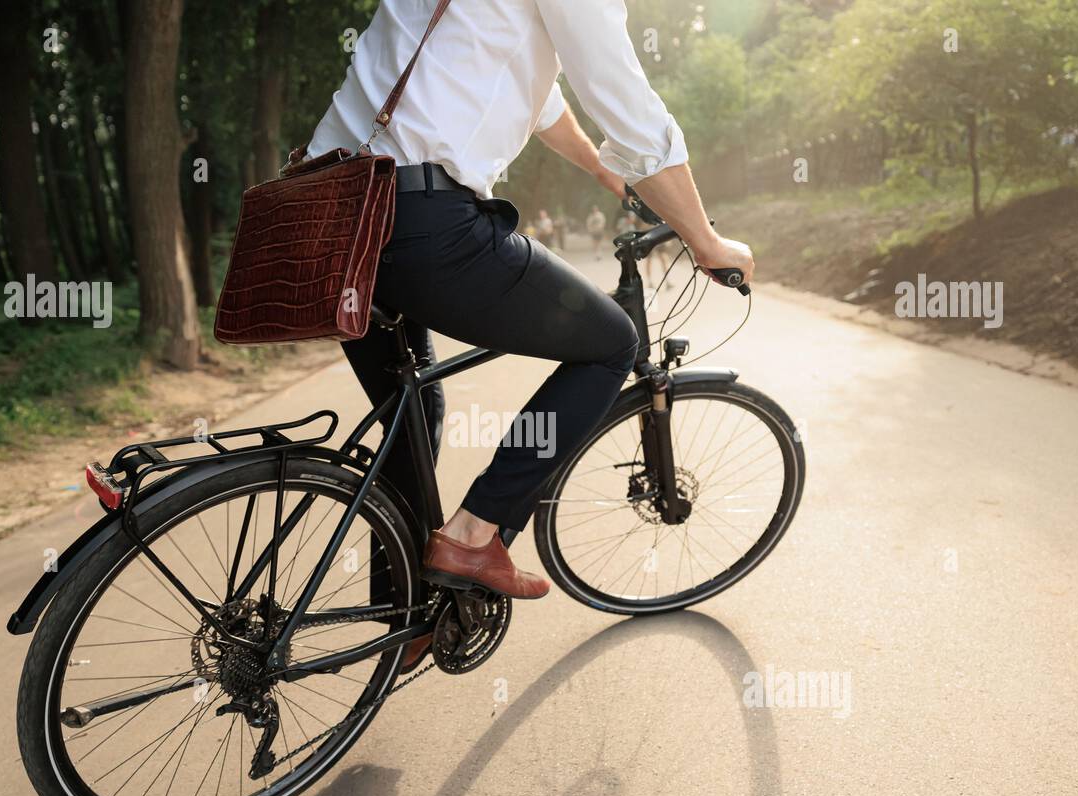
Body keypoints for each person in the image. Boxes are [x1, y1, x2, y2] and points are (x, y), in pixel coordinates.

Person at [305, 0, 755, 620]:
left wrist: (604, 173)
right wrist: (705, 239)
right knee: (611, 344)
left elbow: (529, 91)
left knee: (414, 410)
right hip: (420, 222)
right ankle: (471, 538)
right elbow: (622, 97)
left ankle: (400, 615)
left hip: (326, 220)